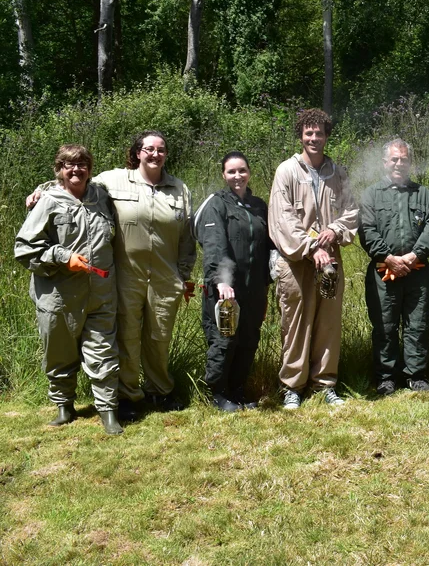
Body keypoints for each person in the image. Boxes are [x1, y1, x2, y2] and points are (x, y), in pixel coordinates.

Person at [30, 131, 197, 418]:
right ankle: (128, 395)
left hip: (165, 278)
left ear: (166, 154)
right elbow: (76, 181)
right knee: (127, 337)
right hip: (126, 276)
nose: (155, 154)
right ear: (137, 153)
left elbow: (187, 238)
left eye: (161, 149)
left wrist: (183, 275)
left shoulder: (179, 189)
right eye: (149, 149)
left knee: (159, 338)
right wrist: (41, 189)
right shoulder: (114, 180)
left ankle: (160, 391)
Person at [15, 145, 123, 435]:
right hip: (58, 295)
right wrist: (63, 257)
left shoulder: (101, 196)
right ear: (59, 170)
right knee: (59, 352)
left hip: (101, 292)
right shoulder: (48, 200)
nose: (76, 170)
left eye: (82, 164)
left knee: (103, 351)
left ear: (90, 168)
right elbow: (25, 248)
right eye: (69, 165)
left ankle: (108, 410)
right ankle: (64, 406)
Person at [269, 108, 359, 409]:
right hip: (296, 263)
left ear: (327, 136)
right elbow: (282, 219)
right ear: (301, 135)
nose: (314, 138)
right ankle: (292, 387)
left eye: (319, 133)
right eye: (308, 133)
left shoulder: (338, 173)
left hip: (330, 262)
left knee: (328, 325)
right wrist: (311, 247)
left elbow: (352, 211)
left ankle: (325, 384)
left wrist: (335, 230)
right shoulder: (286, 171)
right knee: (296, 325)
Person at [360, 138, 429, 395]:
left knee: (418, 324)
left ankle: (416, 375)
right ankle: (386, 376)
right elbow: (367, 230)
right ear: (385, 162)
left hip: (417, 272)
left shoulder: (423, 193)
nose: (399, 163)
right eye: (394, 159)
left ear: (410, 163)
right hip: (384, 272)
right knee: (385, 326)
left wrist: (416, 254)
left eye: (404, 159)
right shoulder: (372, 194)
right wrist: (388, 257)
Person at [195, 151, 271, 411]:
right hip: (225, 288)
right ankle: (217, 394)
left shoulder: (259, 205)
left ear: (249, 172)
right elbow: (214, 244)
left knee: (249, 338)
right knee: (224, 339)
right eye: (231, 171)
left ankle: (238, 390)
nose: (237, 176)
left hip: (254, 288)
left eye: (242, 170)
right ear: (224, 175)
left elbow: (269, 244)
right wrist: (221, 281)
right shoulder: (217, 204)